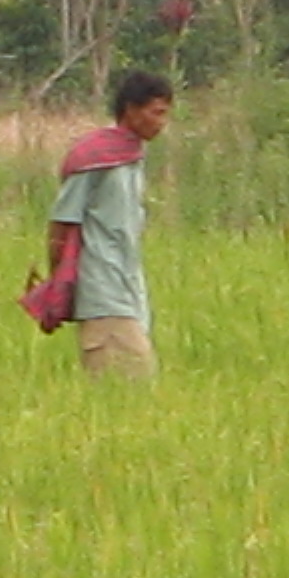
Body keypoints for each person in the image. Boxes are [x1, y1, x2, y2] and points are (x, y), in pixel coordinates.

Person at [44, 70, 174, 378]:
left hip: (127, 288)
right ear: (131, 109)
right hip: (102, 290)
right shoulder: (93, 159)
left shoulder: (131, 158)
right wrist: (59, 283)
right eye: (156, 113)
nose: (161, 123)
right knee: (132, 382)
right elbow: (62, 223)